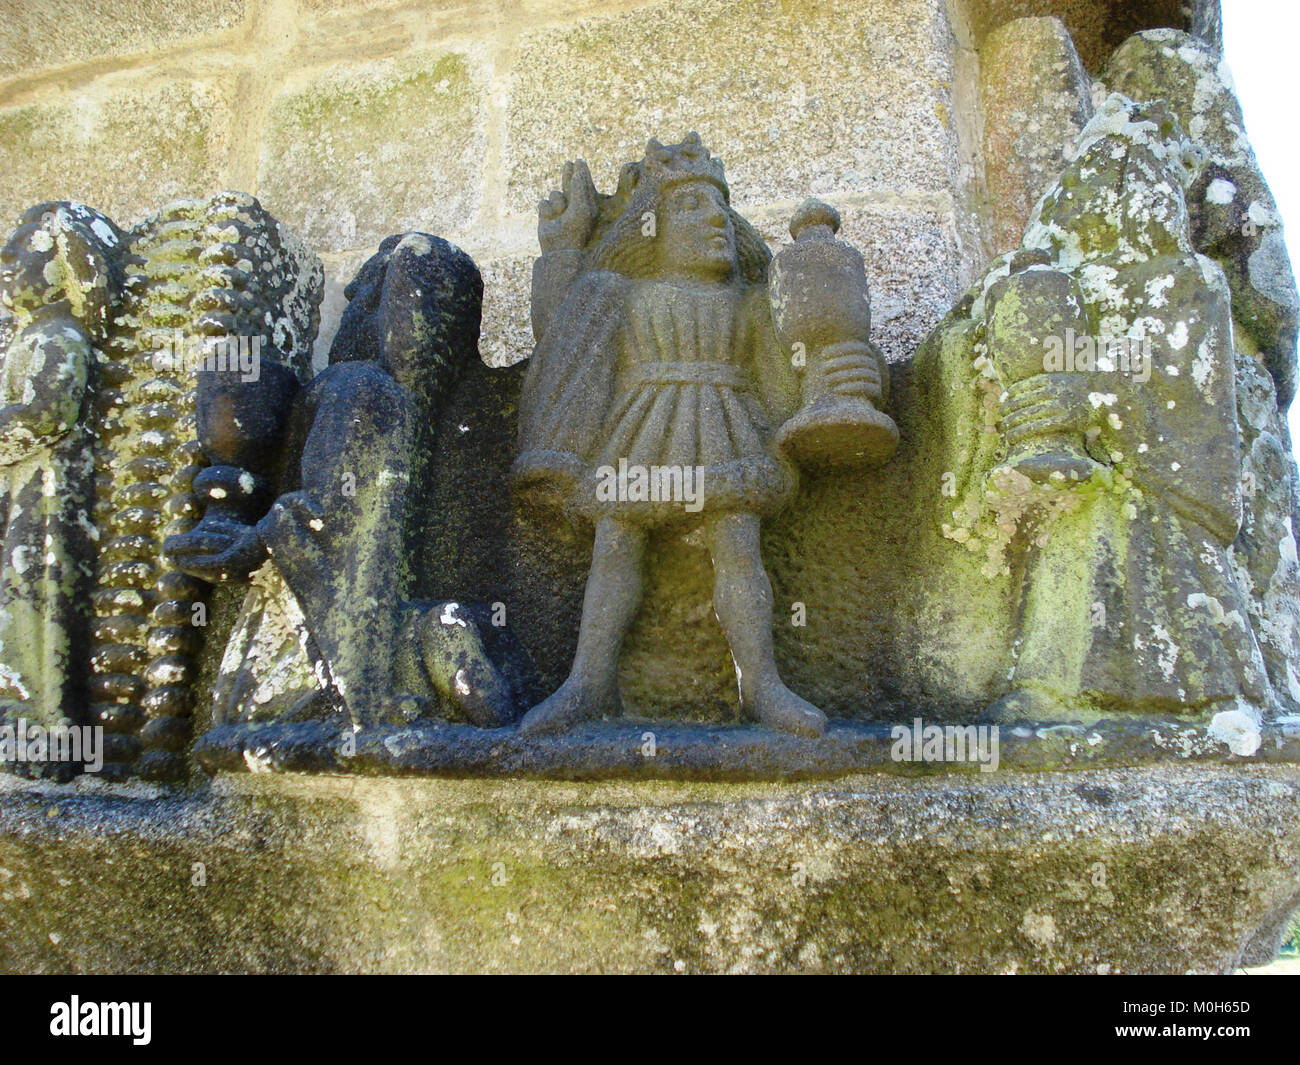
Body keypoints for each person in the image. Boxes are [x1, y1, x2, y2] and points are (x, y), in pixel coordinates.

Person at [513, 134, 827, 736]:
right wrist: (561, 250)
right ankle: (586, 682)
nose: (715, 220)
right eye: (689, 207)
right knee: (616, 537)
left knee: (737, 539)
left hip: (727, 429)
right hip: (641, 433)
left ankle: (761, 684)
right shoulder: (619, 292)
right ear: (649, 228)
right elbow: (561, 349)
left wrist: (830, 381)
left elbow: (785, 395)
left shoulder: (753, 304)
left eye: (721, 208)